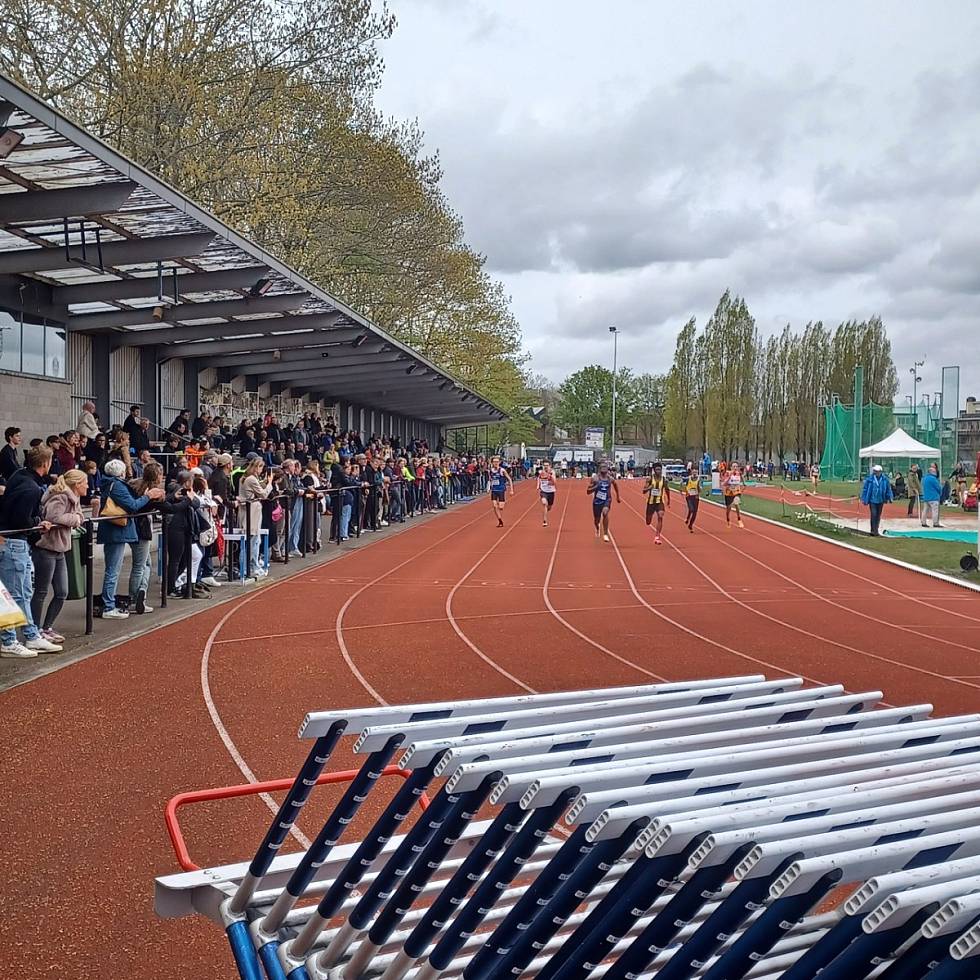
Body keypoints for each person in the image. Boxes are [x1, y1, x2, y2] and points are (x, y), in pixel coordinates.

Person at [0, 446, 60, 656]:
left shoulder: (19, 476)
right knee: (14, 594)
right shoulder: (32, 488)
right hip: (13, 542)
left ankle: (31, 635)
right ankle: (9, 641)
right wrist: (38, 522)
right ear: (45, 464)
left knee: (24, 592)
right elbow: (21, 520)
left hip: (15, 542)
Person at [97, 458, 164, 619]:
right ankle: (109, 606)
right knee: (115, 570)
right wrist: (148, 496)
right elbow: (133, 506)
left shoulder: (114, 484)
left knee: (119, 568)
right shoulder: (117, 485)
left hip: (117, 529)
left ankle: (112, 603)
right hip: (117, 529)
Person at [32, 468, 86, 643]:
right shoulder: (61, 496)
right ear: (77, 484)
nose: (87, 486)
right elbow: (54, 517)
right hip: (47, 548)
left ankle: (46, 627)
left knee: (62, 591)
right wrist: (75, 519)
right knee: (41, 591)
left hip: (60, 549)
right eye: (85, 483)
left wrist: (75, 518)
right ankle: (34, 630)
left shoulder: (74, 497)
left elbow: (80, 516)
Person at [239, 457, 273, 578]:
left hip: (249, 511)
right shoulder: (251, 479)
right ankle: (250, 567)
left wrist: (264, 482)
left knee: (252, 540)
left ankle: (248, 567)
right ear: (257, 467)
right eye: (261, 467)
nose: (262, 470)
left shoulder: (244, 478)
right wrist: (270, 484)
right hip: (252, 512)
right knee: (253, 540)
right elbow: (263, 494)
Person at [587, 459, 620, 542]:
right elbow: (588, 491)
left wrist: (617, 496)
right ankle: (597, 527)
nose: (604, 469)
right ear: (599, 469)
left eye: (605, 467)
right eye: (602, 467)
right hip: (597, 501)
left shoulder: (610, 478)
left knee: (605, 513)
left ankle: (605, 533)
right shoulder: (595, 478)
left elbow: (615, 485)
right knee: (597, 519)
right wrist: (596, 487)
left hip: (607, 500)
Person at [860, 463, 894, 536]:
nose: (876, 472)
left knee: (878, 515)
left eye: (877, 471)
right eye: (875, 471)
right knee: (873, 514)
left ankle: (876, 529)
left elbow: (888, 489)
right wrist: (863, 498)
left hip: (881, 500)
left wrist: (890, 497)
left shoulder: (885, 479)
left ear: (880, 472)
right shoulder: (870, 479)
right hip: (872, 500)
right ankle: (873, 530)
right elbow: (865, 489)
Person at [642, 462, 670, 544]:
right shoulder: (650, 479)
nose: (659, 471)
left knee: (660, 516)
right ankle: (649, 519)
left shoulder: (664, 480)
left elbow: (667, 490)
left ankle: (657, 536)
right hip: (651, 502)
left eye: (660, 470)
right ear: (654, 470)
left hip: (659, 501)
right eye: (657, 470)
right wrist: (649, 488)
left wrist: (669, 500)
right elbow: (643, 491)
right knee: (648, 521)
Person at [488, 455, 513, 527]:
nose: (496, 463)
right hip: (494, 490)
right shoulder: (491, 471)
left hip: (501, 490)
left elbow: (509, 479)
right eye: (494, 462)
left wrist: (511, 490)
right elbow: (490, 480)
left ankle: (500, 508)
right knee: (494, 506)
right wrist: (488, 488)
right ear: (492, 463)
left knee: (501, 507)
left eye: (497, 462)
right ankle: (500, 520)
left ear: (499, 462)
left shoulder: (502, 470)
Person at [722, 463, 745, 529]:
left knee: (736, 503)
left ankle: (739, 520)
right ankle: (728, 520)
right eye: (734, 466)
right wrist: (729, 477)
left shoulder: (739, 473)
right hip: (729, 493)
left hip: (737, 492)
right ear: (731, 467)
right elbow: (724, 483)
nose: (735, 468)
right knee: (728, 508)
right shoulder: (727, 473)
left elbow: (742, 478)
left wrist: (744, 484)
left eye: (736, 466)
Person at [921, 462, 943, 528]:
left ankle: (923, 522)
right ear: (932, 472)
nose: (935, 473)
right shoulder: (933, 479)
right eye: (934, 472)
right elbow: (938, 487)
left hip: (926, 497)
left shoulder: (924, 478)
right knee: (935, 511)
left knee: (925, 510)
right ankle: (935, 523)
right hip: (934, 498)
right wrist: (940, 493)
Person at [537, 460, 557, 527]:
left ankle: (545, 511)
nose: (545, 467)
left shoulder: (552, 472)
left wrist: (550, 477)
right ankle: (545, 521)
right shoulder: (541, 472)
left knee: (549, 507)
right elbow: (538, 478)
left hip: (551, 491)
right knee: (544, 503)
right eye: (544, 465)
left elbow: (554, 482)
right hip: (543, 491)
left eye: (547, 465)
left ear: (549, 466)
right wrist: (538, 485)